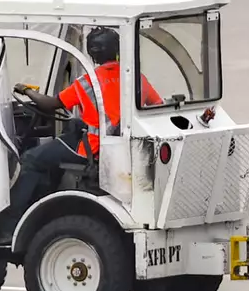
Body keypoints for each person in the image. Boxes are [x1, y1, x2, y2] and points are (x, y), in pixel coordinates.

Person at [10, 27, 162, 209]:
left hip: (92, 148)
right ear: (117, 50)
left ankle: (12, 219)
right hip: (125, 147)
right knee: (67, 134)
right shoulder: (136, 78)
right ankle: (49, 201)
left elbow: (49, 104)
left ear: (92, 54)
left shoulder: (88, 82)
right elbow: (157, 105)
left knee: (31, 158)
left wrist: (25, 90)